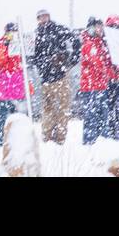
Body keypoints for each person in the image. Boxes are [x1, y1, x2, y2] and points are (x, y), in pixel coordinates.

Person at [31, 8, 80, 144]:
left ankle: (60, 137)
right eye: (41, 17)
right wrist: (44, 64)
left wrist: (71, 60)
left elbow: (75, 41)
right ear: (38, 19)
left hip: (61, 77)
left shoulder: (58, 29)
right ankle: (47, 137)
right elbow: (33, 57)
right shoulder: (36, 35)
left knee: (63, 109)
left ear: (49, 16)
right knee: (48, 110)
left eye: (45, 16)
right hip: (46, 80)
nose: (43, 19)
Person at [79, 16, 119, 144]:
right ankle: (90, 143)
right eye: (97, 27)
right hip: (91, 87)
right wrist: (115, 75)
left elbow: (107, 63)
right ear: (91, 28)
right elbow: (99, 64)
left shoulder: (100, 43)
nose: (100, 29)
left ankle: (102, 142)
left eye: (101, 27)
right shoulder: (89, 44)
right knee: (92, 118)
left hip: (101, 86)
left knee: (103, 116)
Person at [0, 23, 28, 146]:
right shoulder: (2, 43)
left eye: (14, 31)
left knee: (18, 116)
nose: (12, 33)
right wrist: (6, 47)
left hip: (17, 86)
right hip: (6, 86)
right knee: (3, 115)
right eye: (10, 31)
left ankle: (17, 139)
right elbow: (0, 60)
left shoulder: (20, 43)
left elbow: (23, 60)